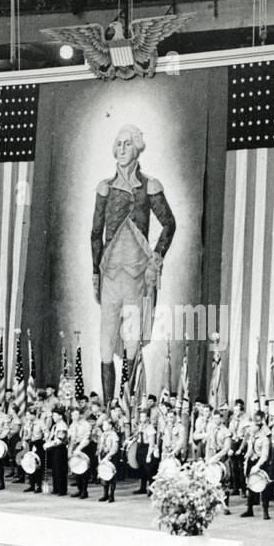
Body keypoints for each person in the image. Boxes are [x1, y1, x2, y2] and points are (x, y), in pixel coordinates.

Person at [91, 124, 177, 404]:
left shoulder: (150, 185)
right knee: (105, 345)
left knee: (131, 344)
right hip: (110, 276)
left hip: (138, 276)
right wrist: (95, 271)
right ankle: (107, 407)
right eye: (118, 143)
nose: (122, 149)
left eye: (128, 143)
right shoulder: (104, 187)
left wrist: (156, 258)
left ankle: (126, 407)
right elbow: (95, 233)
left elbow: (168, 224)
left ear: (138, 146)